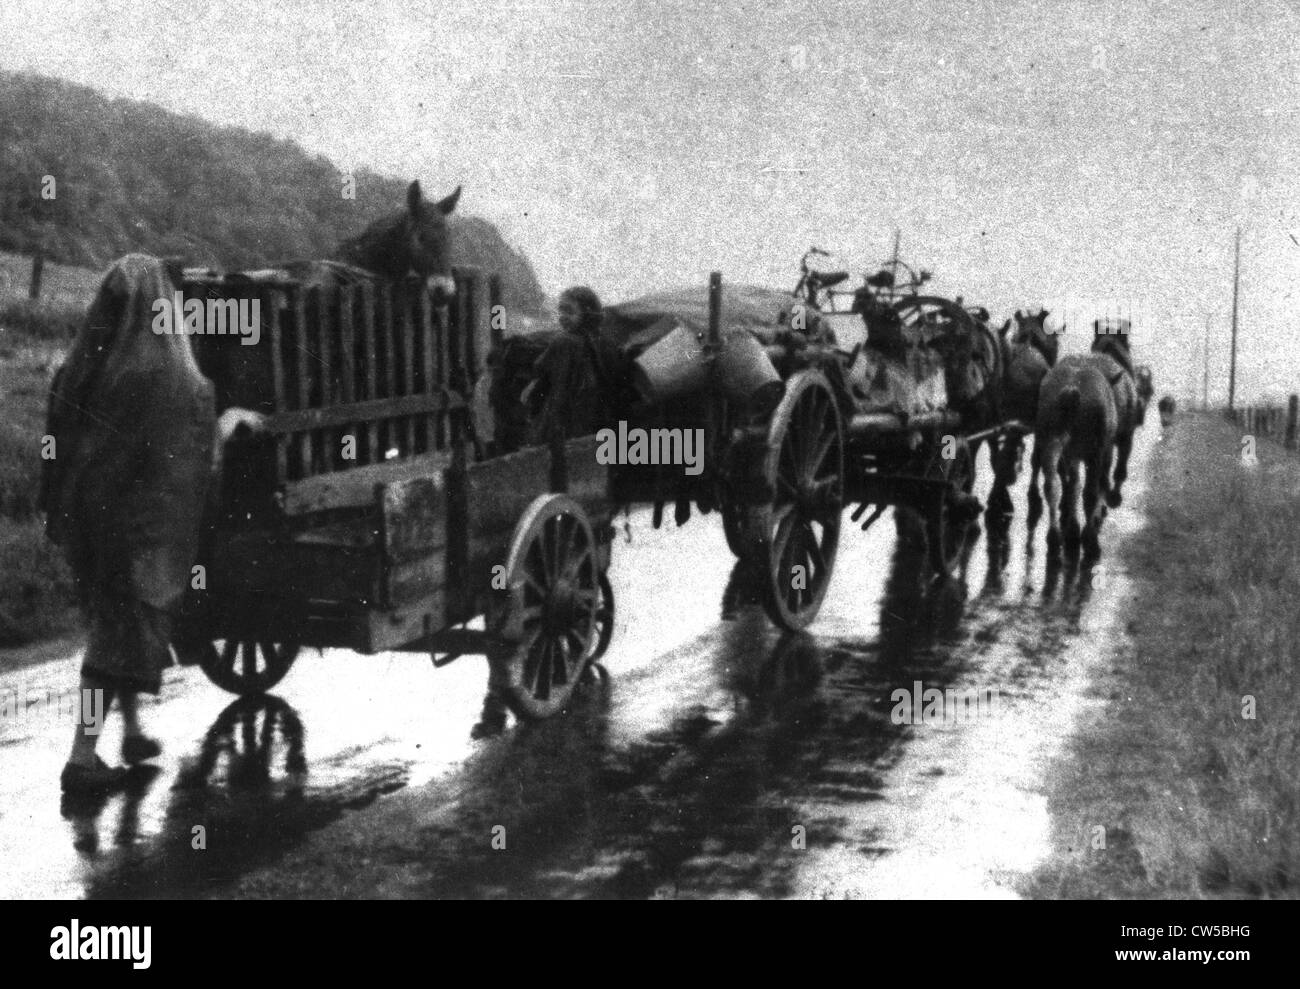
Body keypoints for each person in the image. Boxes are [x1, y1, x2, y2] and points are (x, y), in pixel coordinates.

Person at [524, 286, 620, 444]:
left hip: (563, 417)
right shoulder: (603, 341)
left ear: (587, 314)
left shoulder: (563, 341)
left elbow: (539, 367)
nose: (563, 317)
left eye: (569, 311)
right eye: (561, 311)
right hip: (594, 417)